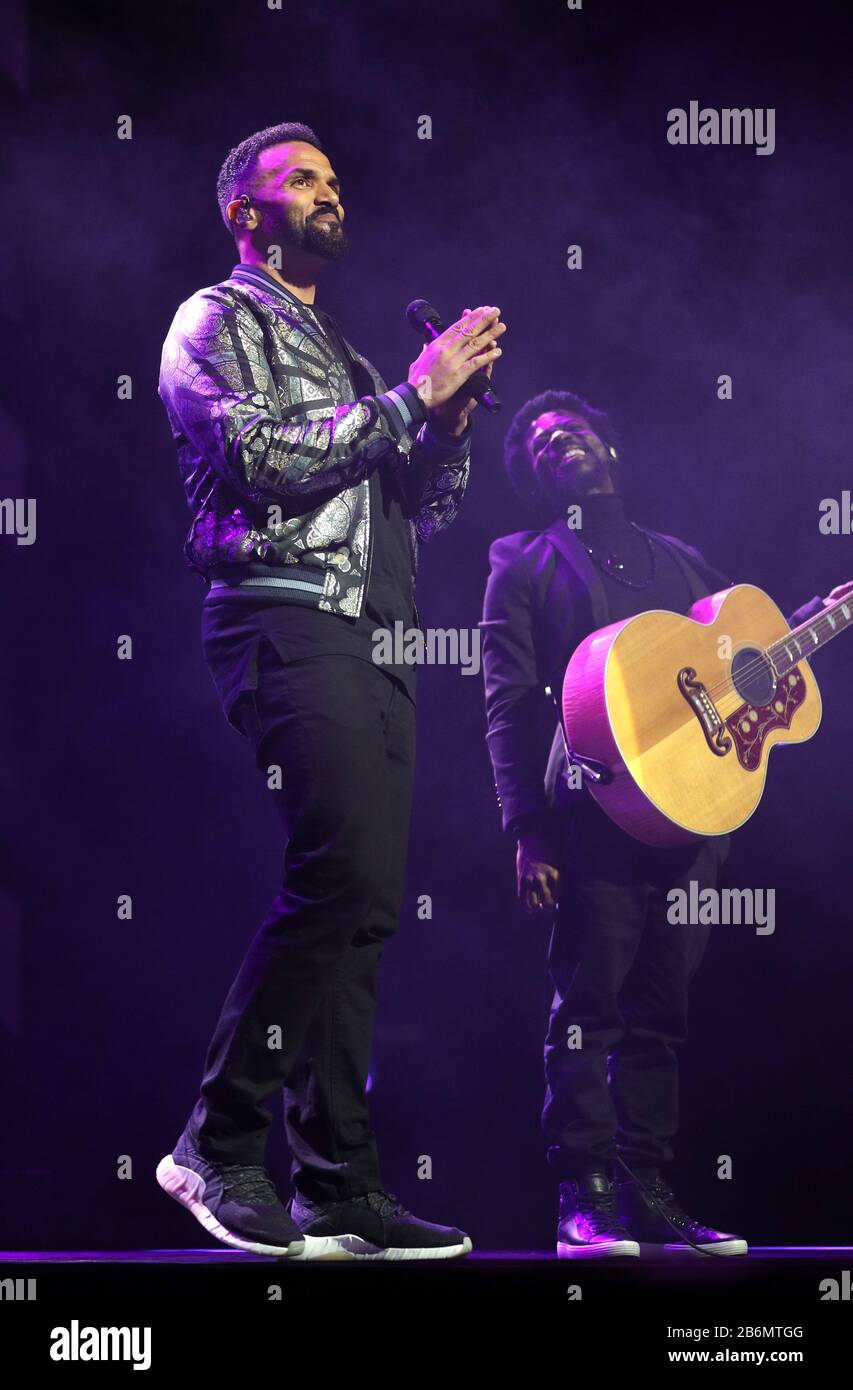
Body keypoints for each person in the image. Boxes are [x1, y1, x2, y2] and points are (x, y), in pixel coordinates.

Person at [157, 121, 505, 1260]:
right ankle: (216, 1143)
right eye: (300, 179)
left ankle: (339, 1187)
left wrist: (445, 421)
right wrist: (413, 397)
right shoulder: (215, 320)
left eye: (334, 180)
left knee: (365, 910)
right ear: (243, 211)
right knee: (338, 874)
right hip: (281, 611)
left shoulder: (353, 356)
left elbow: (426, 504)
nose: (327, 192)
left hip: (378, 635)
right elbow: (262, 459)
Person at [480, 389, 838, 1258]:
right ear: (531, 474)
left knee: (660, 1013)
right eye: (535, 439)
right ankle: (584, 1197)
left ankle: (647, 1189)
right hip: (591, 814)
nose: (555, 436)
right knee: (588, 1010)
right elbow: (506, 702)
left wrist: (815, 621)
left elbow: (741, 661)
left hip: (689, 817)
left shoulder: (679, 561)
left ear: (609, 447)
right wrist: (526, 825)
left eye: (571, 426)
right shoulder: (522, 560)